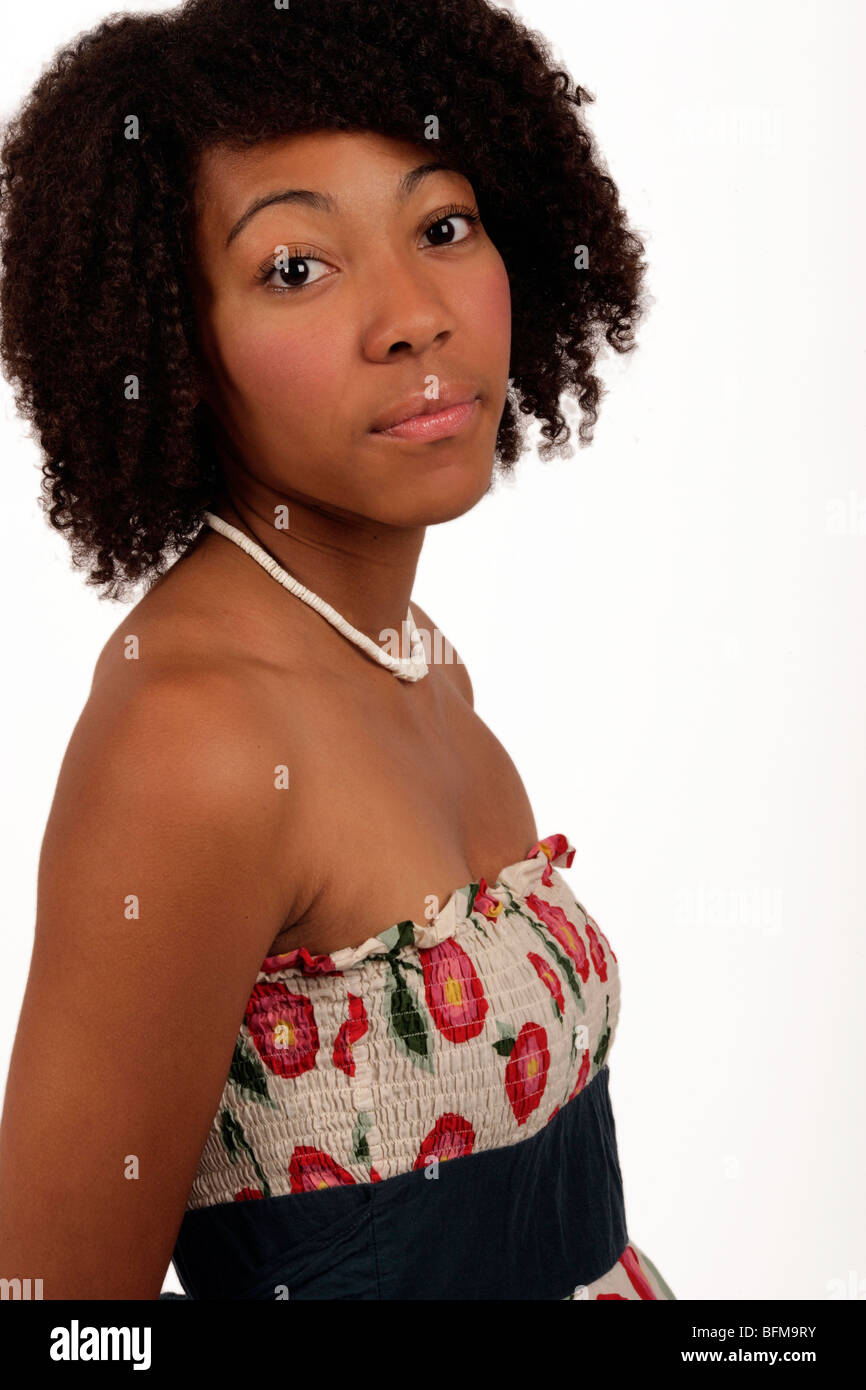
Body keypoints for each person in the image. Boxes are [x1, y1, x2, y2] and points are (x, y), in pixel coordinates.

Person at [0, 0, 674, 1300]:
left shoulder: (417, 661)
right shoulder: (193, 736)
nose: (413, 316)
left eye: (440, 227)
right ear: (170, 340)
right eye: (296, 267)